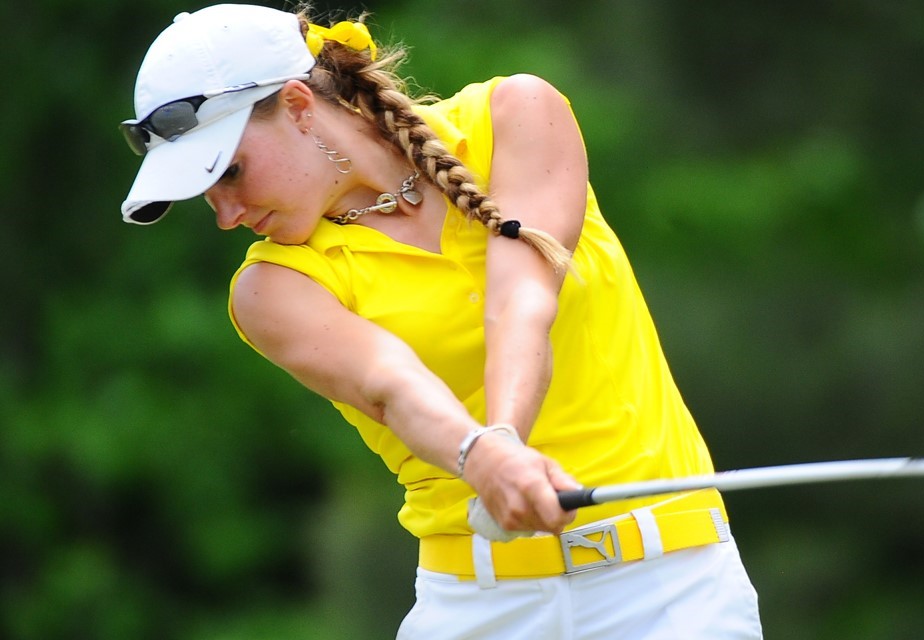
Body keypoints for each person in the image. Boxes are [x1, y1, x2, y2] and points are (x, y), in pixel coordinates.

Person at [119, 4, 762, 638]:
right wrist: (480, 456)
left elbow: (522, 303)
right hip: (477, 607)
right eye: (204, 195)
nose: (226, 214)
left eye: (229, 172)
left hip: (673, 589)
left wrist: (505, 437)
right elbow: (390, 382)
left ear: (296, 106)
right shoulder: (271, 287)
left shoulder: (515, 115)